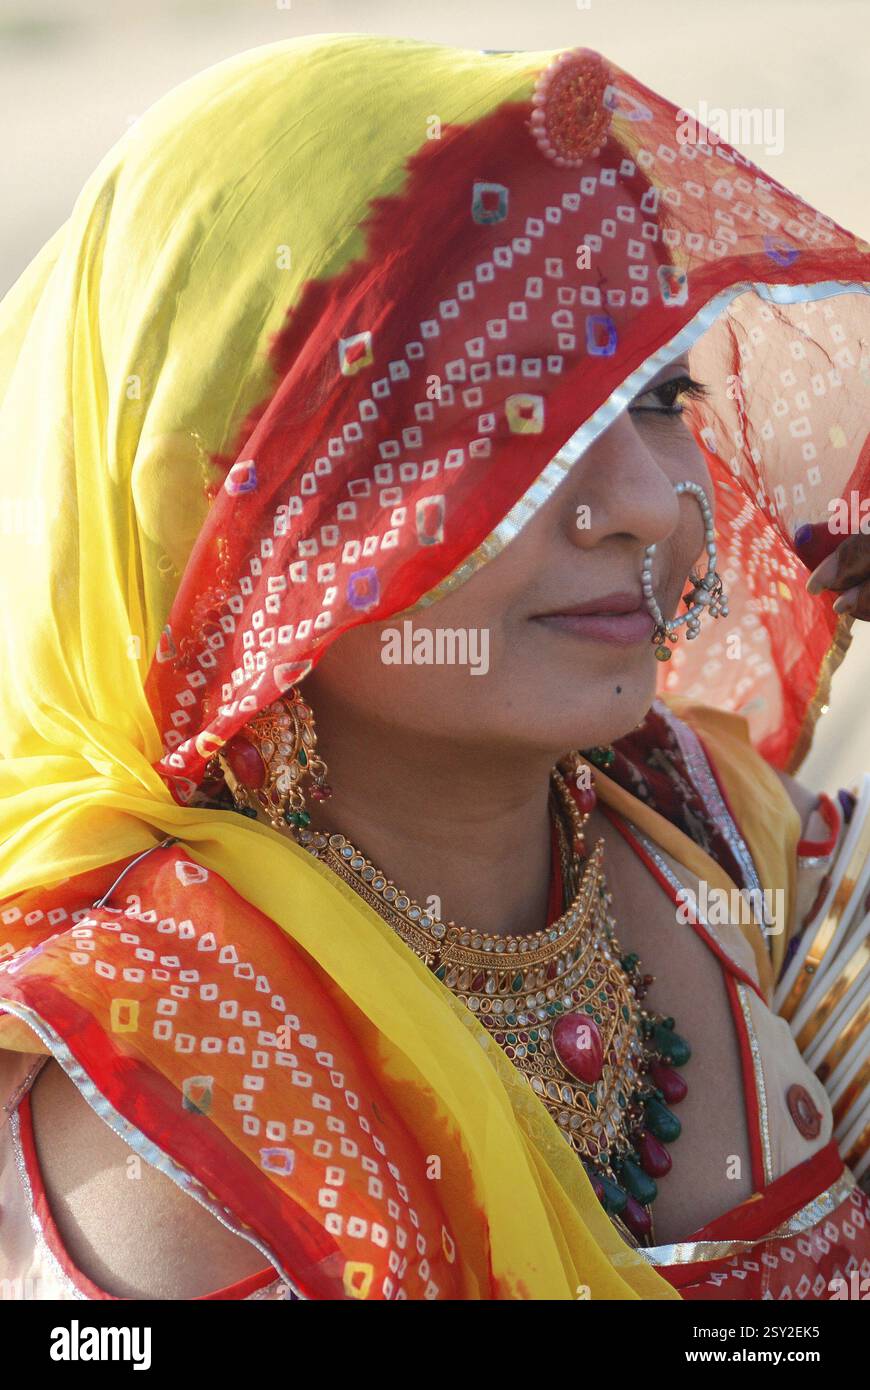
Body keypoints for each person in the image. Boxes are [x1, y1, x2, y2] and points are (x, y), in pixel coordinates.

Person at [0, 33, 868, 1302]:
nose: (635, 503)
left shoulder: (703, 826)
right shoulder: (164, 1082)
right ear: (231, 524)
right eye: (509, 420)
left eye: (655, 396)